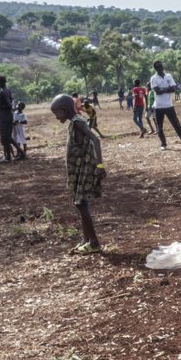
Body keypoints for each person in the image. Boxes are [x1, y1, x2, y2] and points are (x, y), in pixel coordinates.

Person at [50, 94, 104, 254]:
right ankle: (86, 239)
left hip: (85, 168)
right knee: (79, 203)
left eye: (56, 113)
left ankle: (94, 242)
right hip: (78, 170)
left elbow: (96, 140)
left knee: (81, 204)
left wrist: (100, 165)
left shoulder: (78, 123)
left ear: (65, 110)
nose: (56, 117)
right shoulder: (74, 123)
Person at [149, 61, 181, 149]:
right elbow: (157, 91)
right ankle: (163, 144)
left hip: (169, 106)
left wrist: (163, 89)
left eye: (161, 66)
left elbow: (173, 89)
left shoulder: (168, 76)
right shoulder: (153, 78)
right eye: (158, 67)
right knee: (159, 127)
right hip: (158, 107)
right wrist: (167, 89)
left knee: (176, 125)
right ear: (155, 68)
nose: (160, 68)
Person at [0, 75, 15, 162]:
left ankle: (8, 157)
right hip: (7, 116)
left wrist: (4, 108)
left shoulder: (3, 92)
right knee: (7, 137)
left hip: (5, 117)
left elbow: (9, 104)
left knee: (5, 137)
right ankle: (18, 153)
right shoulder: (8, 91)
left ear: (1, 82)